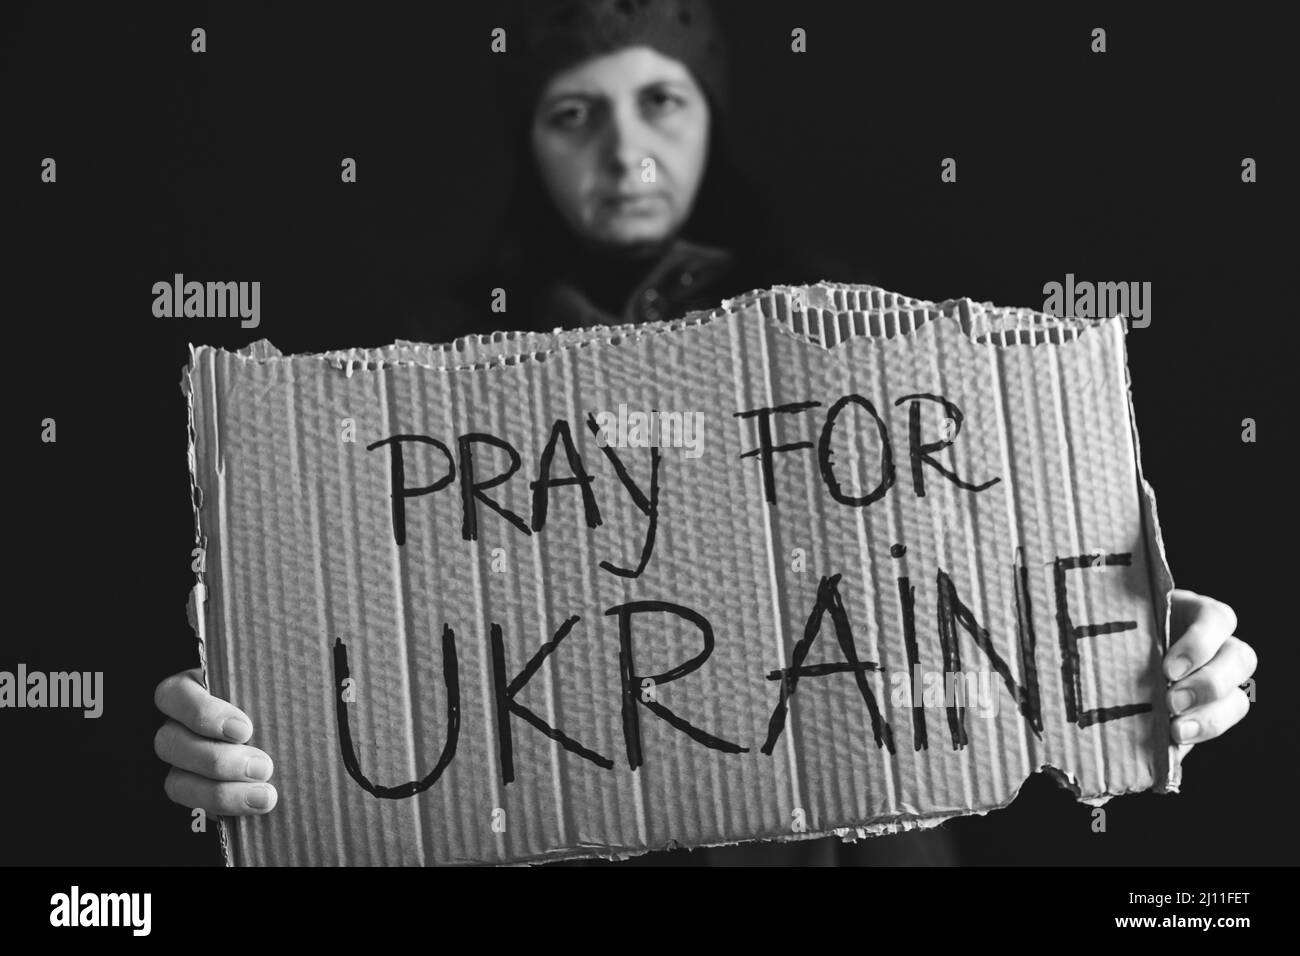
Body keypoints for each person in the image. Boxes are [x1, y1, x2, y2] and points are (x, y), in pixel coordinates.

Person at [153, 0, 1258, 864]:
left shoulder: (868, 346)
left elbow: (988, 602)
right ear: (528, 142)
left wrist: (1135, 659)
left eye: (660, 101)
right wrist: (256, 744)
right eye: (572, 111)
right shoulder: (409, 399)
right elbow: (367, 673)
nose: (622, 146)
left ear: (709, 115)